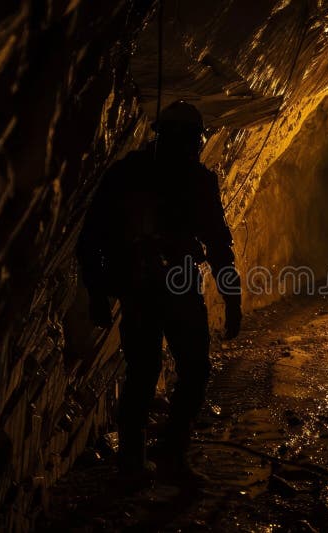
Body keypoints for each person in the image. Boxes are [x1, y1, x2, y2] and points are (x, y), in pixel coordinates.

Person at [76, 101, 241, 484]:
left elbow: (92, 240)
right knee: (187, 371)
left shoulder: (127, 174)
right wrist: (231, 300)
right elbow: (217, 245)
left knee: (145, 373)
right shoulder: (193, 180)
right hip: (172, 289)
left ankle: (138, 463)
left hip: (142, 291)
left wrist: (99, 294)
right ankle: (167, 458)